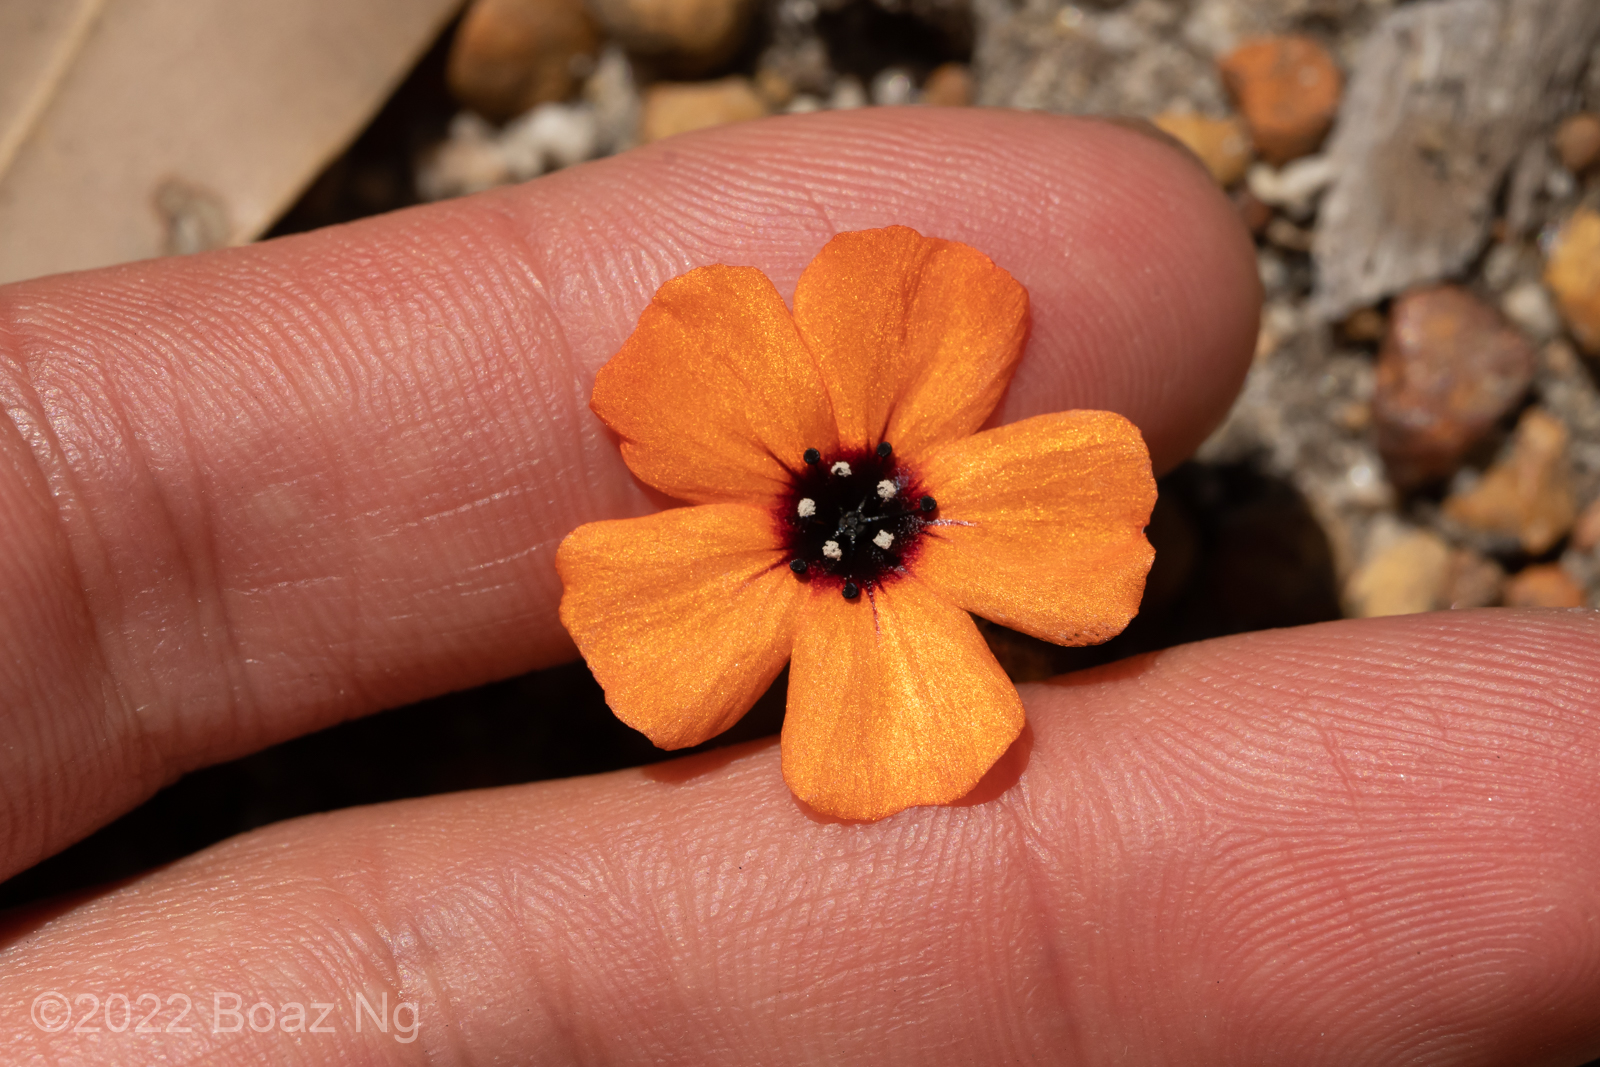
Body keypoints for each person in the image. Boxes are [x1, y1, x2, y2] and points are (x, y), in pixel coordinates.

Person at [1, 108, 1595, 1065]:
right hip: (789, 572)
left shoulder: (931, 453)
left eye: (857, 511)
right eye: (839, 511)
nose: (846, 520)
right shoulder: (735, 490)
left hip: (925, 567)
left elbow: (1020, 539)